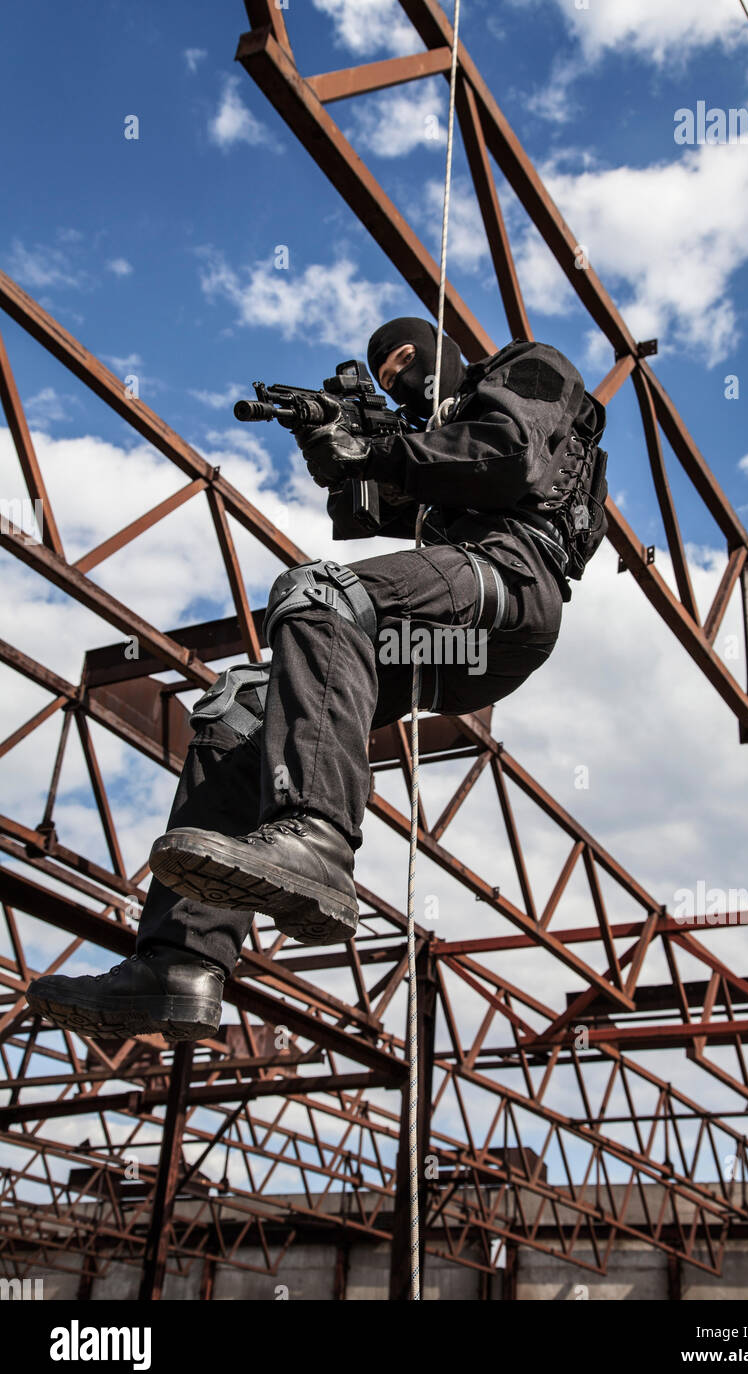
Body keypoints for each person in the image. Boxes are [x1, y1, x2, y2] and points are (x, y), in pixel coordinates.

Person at [26, 317, 607, 1042]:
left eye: (406, 361)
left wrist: (381, 446)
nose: (399, 378)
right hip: (442, 635)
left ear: (445, 355)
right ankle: (179, 965)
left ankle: (320, 841)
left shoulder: (527, 369)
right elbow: (364, 507)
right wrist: (332, 443)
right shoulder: (424, 443)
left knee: (320, 593)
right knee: (239, 708)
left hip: (510, 586)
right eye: (386, 376)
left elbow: (509, 455)